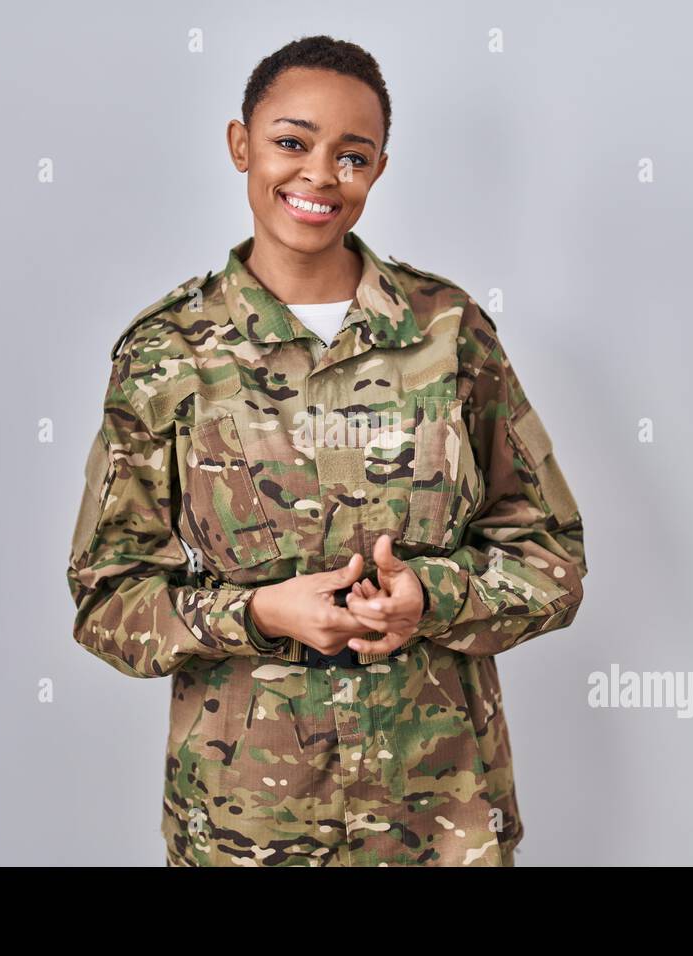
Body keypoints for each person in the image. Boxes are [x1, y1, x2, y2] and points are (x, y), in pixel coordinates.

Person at [66, 35, 586, 867]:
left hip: (441, 822)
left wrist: (435, 598)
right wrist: (257, 614)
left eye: (352, 155)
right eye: (290, 142)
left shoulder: (449, 332)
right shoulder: (169, 355)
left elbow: (553, 559)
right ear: (241, 144)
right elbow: (108, 603)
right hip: (247, 836)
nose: (317, 175)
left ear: (379, 168)